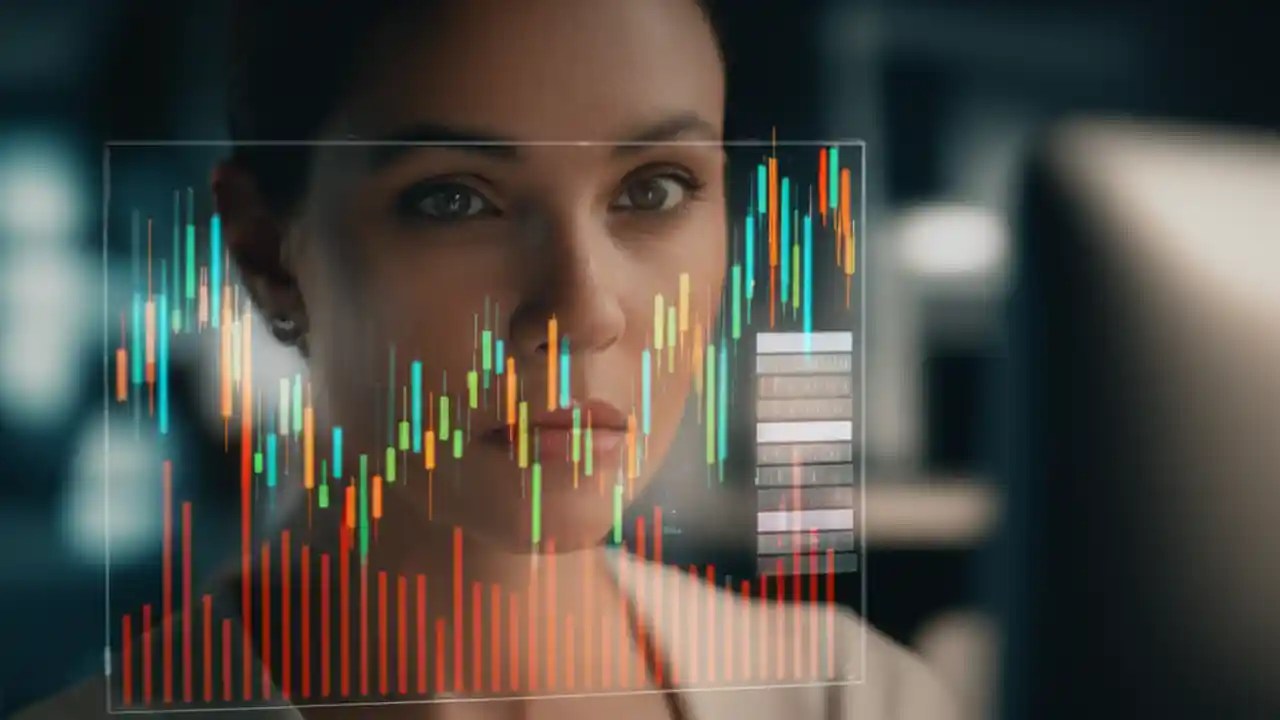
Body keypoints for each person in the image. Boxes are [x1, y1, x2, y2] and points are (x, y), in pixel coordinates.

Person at [17, 1, 956, 717]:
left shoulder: (853, 699)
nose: (582, 312)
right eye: (453, 200)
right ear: (268, 253)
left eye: (655, 189)